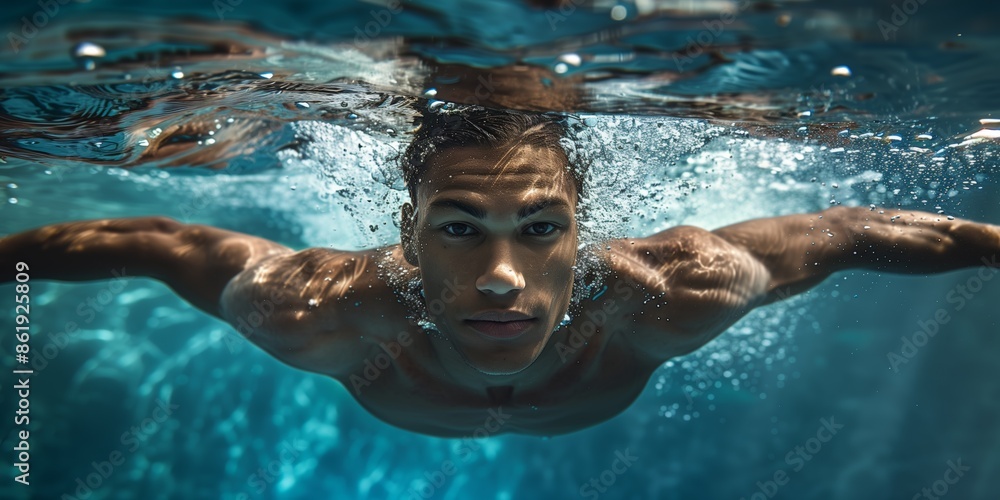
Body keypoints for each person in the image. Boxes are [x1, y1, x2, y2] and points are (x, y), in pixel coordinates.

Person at [3, 108, 998, 437]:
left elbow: (852, 227)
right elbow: (149, 239)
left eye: (538, 226)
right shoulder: (312, 311)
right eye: (458, 228)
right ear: (406, 231)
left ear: (584, 229)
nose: (500, 279)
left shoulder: (677, 290)